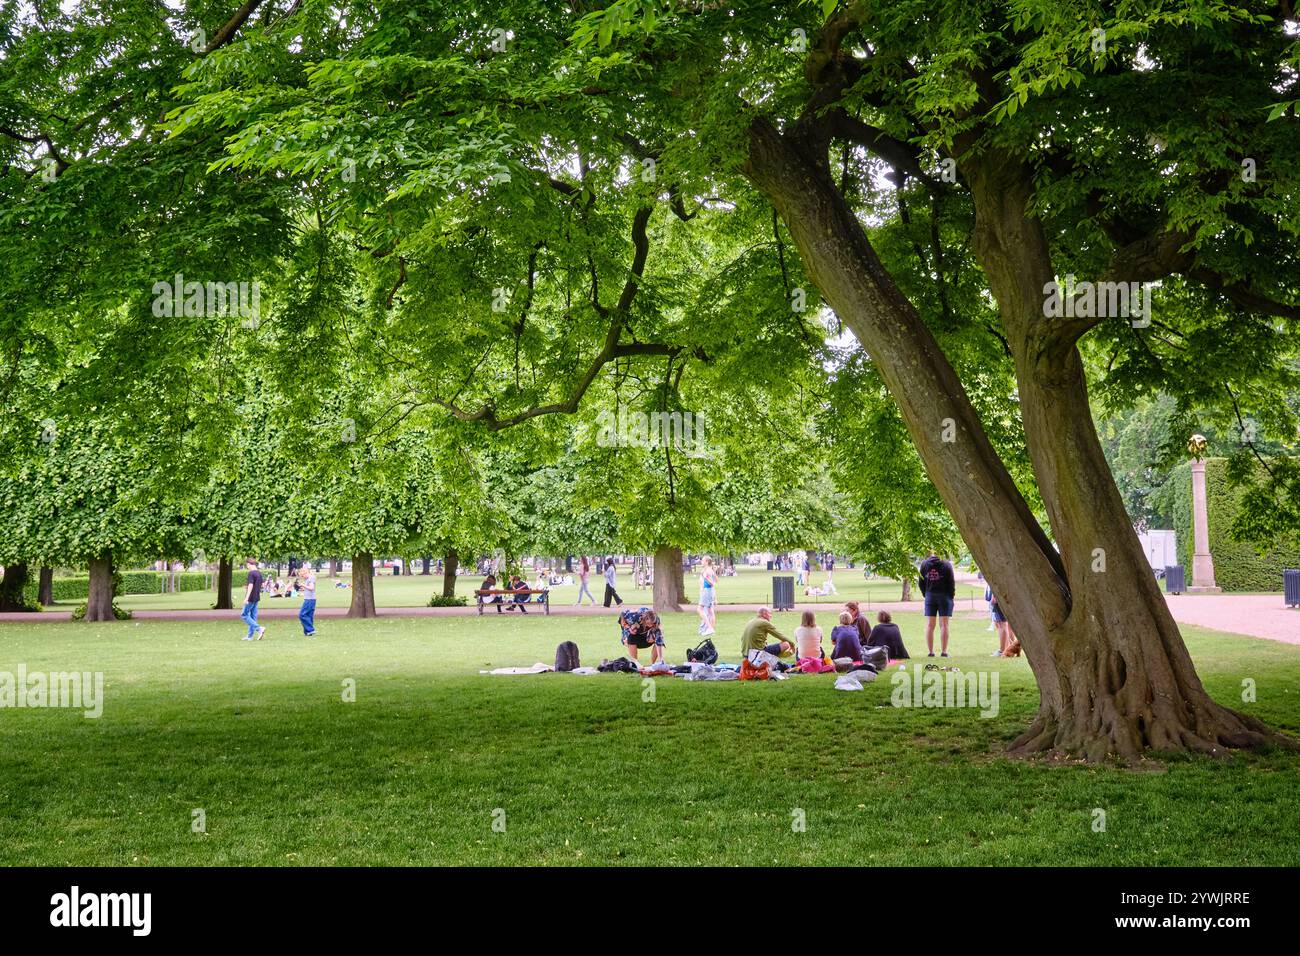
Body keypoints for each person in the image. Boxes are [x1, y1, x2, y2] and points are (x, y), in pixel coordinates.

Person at [918, 550, 955, 657]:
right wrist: (951, 596)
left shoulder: (924, 564)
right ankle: (943, 652)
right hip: (944, 596)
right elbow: (951, 583)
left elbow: (921, 582)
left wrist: (926, 594)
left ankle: (931, 652)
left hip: (930, 596)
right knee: (944, 624)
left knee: (930, 625)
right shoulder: (946, 565)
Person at [240, 557, 266, 641]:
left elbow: (250, 585)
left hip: (250, 598)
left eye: (246, 565)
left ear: (248, 564)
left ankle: (259, 629)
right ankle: (250, 636)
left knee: (244, 615)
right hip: (256, 597)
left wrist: (246, 598)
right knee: (253, 617)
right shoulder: (259, 573)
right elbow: (262, 585)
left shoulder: (251, 573)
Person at [989, 590, 1014, 656]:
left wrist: (994, 596)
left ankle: (1002, 650)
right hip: (1007, 598)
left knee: (1002, 624)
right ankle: (1010, 648)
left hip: (1000, 598)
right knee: (1007, 625)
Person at [697, 555, 717, 637]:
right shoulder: (710, 570)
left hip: (707, 591)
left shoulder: (708, 571)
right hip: (709, 591)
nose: (701, 562)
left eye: (703, 560)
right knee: (710, 610)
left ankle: (709, 628)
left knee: (699, 609)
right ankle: (710, 629)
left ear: (707, 562)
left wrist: (706, 577)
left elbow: (713, 583)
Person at [297, 564, 317, 636]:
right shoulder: (308, 579)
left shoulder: (311, 578)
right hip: (311, 599)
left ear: (305, 573)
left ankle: (311, 629)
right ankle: (308, 632)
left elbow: (312, 588)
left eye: (302, 576)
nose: (302, 577)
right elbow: (309, 588)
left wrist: (303, 585)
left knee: (302, 615)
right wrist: (303, 588)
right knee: (309, 615)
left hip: (309, 600)